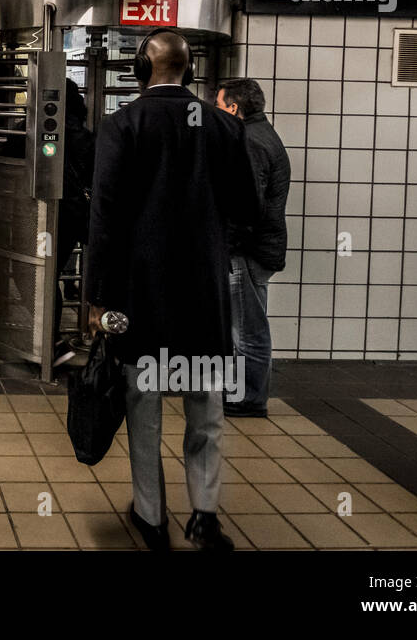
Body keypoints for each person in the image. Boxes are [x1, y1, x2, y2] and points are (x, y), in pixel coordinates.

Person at [84, 29, 259, 551]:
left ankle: (151, 516)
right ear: (189, 67)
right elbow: (248, 211)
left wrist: (98, 297)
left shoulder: (123, 124)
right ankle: (204, 517)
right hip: (205, 294)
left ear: (142, 68)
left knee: (146, 408)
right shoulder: (226, 128)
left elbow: (105, 218)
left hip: (143, 295)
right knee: (206, 410)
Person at [216, 78, 290, 417]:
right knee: (245, 326)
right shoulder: (261, 135)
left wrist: (228, 246)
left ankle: (249, 398)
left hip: (247, 251)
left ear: (233, 107)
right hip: (256, 248)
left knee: (248, 330)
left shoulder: (250, 142)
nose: (217, 112)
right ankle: (242, 392)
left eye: (220, 106)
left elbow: (248, 205)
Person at [54, 79, 95, 367]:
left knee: (44, 276)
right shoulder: (87, 137)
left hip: (50, 215)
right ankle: (95, 332)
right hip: (78, 216)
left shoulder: (34, 132)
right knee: (54, 271)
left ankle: (50, 343)